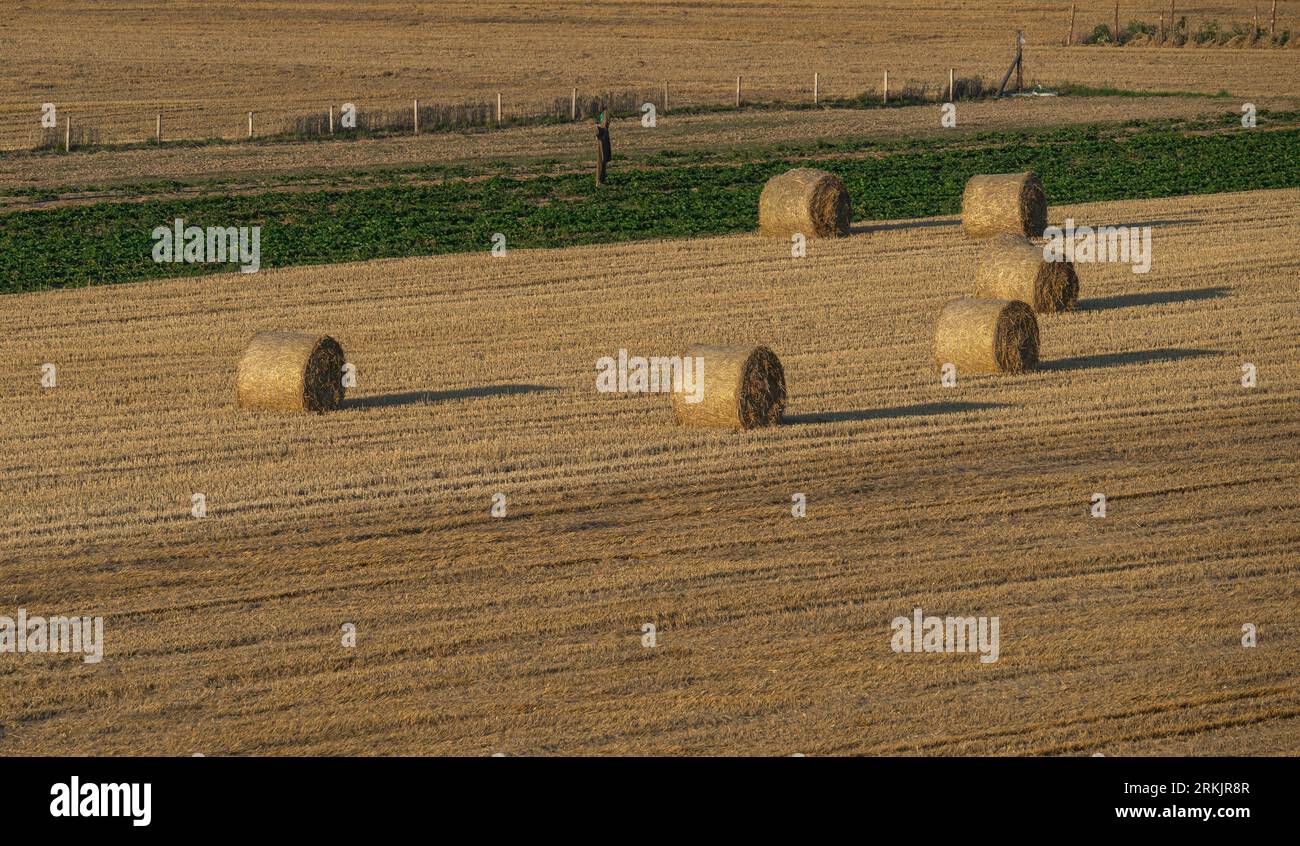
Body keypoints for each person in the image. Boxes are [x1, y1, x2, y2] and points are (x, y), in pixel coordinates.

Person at [595, 111, 611, 186]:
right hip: (602, 138)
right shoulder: (604, 113)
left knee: (604, 160)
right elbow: (598, 130)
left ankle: (601, 180)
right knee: (601, 160)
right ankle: (599, 181)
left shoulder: (604, 113)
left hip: (604, 134)